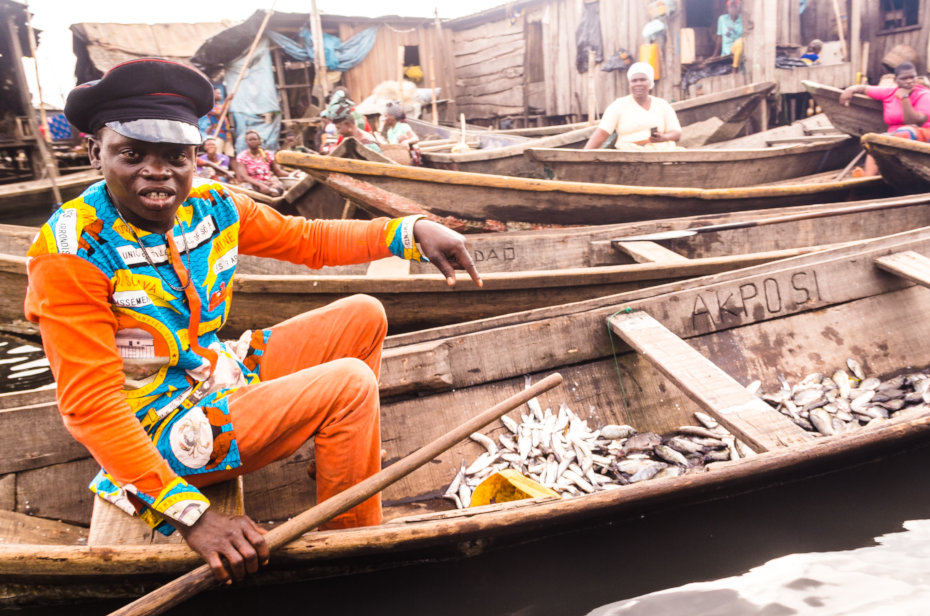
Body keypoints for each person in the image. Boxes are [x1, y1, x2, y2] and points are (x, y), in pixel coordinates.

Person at [25, 58, 483, 584]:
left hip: (213, 374)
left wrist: (412, 230)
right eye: (131, 154)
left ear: (194, 157)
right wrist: (193, 517)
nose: (157, 172)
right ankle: (355, 552)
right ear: (94, 153)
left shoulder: (213, 205)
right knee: (351, 385)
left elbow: (307, 239)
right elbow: (90, 407)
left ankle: (338, 463)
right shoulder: (70, 251)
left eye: (176, 156)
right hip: (158, 432)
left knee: (363, 314)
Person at [839, 61, 930, 176]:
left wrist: (904, 98)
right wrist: (850, 90)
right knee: (874, 141)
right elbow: (864, 89)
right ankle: (868, 178)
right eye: (904, 78)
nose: (909, 81)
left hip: (927, 135)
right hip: (896, 137)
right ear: (895, 80)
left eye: (912, 77)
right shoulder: (889, 93)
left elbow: (914, 122)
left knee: (906, 131)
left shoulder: (924, 94)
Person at [583, 62, 682, 151]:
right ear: (629, 84)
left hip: (662, 153)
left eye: (643, 80)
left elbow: (676, 133)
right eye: (634, 81)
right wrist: (583, 156)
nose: (638, 84)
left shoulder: (662, 105)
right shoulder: (618, 106)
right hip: (630, 155)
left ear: (650, 83)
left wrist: (663, 138)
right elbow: (602, 134)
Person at [234, 129, 291, 197]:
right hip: (253, 184)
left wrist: (292, 175)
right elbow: (245, 177)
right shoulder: (242, 156)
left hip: (268, 182)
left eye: (255, 139)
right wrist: (260, 185)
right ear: (246, 142)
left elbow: (277, 172)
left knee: (278, 189)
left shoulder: (267, 155)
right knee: (247, 192)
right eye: (250, 140)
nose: (253, 141)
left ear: (259, 140)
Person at [713, 0, 745, 72]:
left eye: (735, 7)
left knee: (740, 42)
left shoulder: (743, 19)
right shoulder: (722, 19)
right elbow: (719, 37)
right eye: (731, 7)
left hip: (739, 53)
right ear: (727, 9)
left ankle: (735, 67)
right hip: (726, 54)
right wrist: (715, 54)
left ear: (739, 8)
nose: (733, 9)